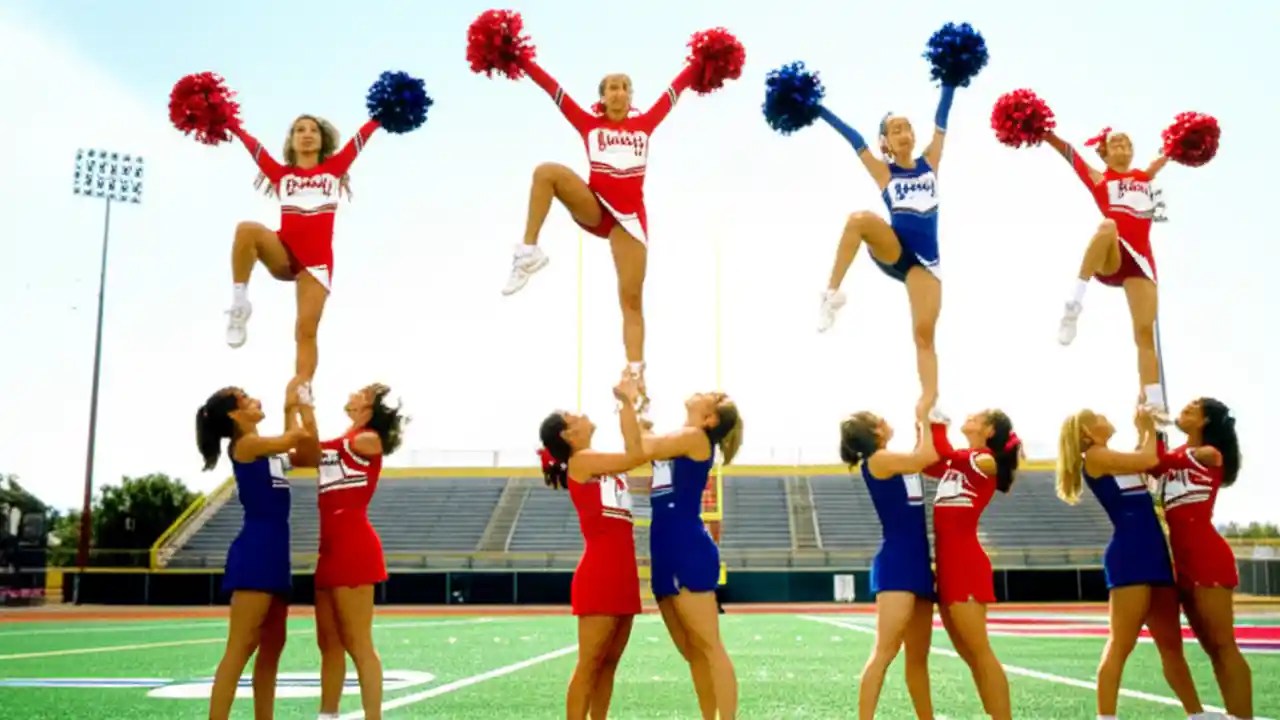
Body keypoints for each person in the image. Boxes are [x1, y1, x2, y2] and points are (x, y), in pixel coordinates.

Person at [497, 54, 712, 416]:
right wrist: (519, 56)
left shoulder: (645, 124)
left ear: (631, 96)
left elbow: (677, 89)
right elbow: (553, 89)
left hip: (627, 221)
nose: (619, 93)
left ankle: (637, 375)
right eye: (613, 87)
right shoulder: (587, 123)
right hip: (594, 206)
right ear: (602, 94)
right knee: (546, 171)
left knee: (631, 300)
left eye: (625, 87)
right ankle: (528, 251)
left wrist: (704, 58)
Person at [814, 83, 959, 417]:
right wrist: (817, 109)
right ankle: (831, 293)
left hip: (922, 264)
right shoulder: (884, 172)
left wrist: (950, 81)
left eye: (907, 127)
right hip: (892, 248)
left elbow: (942, 117)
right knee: (858, 220)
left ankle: (930, 402)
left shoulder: (929, 163)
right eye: (896, 130)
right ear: (886, 142)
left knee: (924, 335)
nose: (904, 133)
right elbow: (853, 138)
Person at [1056, 405, 1207, 720]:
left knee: (1171, 646)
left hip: (1155, 554)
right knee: (1121, 645)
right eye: (1097, 418)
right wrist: (1148, 426)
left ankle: (1197, 714)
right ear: (1087, 433)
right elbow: (1148, 458)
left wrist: (1145, 424)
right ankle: (1106, 717)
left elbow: (1145, 456)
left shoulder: (1118, 459)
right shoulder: (1095, 457)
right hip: (1129, 556)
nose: (1104, 417)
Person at [224, 115, 381, 388]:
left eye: (313, 130)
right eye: (299, 130)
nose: (306, 134)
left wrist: (382, 114)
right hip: (283, 252)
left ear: (322, 140)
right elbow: (253, 145)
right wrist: (229, 122)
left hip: (316, 264)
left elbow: (361, 138)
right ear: (291, 140)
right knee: (246, 229)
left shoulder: (334, 168)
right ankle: (240, 303)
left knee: (305, 330)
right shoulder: (281, 175)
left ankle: (303, 389)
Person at [196, 384, 317, 720]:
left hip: (277, 551)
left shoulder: (267, 451)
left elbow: (299, 449)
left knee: (273, 648)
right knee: (240, 647)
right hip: (257, 550)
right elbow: (293, 438)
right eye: (246, 398)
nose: (254, 398)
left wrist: (291, 409)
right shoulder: (248, 445)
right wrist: (294, 404)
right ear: (236, 415)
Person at [293, 382, 407, 720]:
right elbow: (305, 452)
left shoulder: (367, 439)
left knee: (358, 643)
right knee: (328, 643)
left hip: (354, 546)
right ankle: (327, 715)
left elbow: (315, 448)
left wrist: (305, 409)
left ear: (369, 408)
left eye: (360, 394)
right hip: (329, 548)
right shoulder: (343, 439)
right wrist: (297, 414)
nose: (352, 394)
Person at [537, 373, 648, 719]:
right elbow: (633, 455)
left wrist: (634, 403)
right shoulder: (583, 460)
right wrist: (625, 403)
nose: (583, 415)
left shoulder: (596, 460)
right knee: (589, 663)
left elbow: (638, 444)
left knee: (609, 662)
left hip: (622, 570)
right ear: (569, 435)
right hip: (600, 572)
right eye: (574, 416)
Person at [1045, 127, 1170, 417]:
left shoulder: (1144, 177)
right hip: (1111, 254)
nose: (1123, 146)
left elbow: (1169, 152)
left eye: (1127, 143)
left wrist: (1186, 137)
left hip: (1140, 259)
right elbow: (1071, 155)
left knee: (1144, 332)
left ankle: (1153, 400)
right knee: (1108, 225)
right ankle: (1074, 303)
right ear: (1103, 151)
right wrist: (1045, 131)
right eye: (1116, 143)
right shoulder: (1101, 180)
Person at [642, 391, 744, 719]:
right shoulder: (680, 438)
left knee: (709, 646)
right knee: (693, 651)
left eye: (712, 396)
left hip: (686, 546)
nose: (703, 391)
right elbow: (643, 443)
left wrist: (631, 408)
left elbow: (644, 446)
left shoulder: (694, 437)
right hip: (664, 545)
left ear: (710, 419)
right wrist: (638, 417)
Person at [838, 403, 938, 720]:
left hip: (918, 562)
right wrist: (923, 420)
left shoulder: (894, 461)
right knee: (885, 651)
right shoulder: (879, 460)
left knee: (918, 658)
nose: (886, 421)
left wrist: (922, 429)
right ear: (876, 432)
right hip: (896, 565)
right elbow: (926, 458)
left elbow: (919, 458)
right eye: (881, 420)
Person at [1154, 397, 1252, 719]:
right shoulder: (1179, 455)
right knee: (1212, 650)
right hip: (1181, 561)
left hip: (1207, 557)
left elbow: (1158, 462)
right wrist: (1152, 430)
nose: (1183, 409)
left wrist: (1155, 430)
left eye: (1192, 408)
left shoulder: (1208, 454)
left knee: (1224, 646)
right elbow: (1153, 463)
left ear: (1205, 421)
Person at [926, 409, 1019, 720]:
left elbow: (946, 452)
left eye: (976, 417)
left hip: (965, 563)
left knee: (980, 653)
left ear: (990, 431)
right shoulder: (961, 463)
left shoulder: (983, 460)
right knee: (969, 655)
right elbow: (930, 461)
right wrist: (923, 427)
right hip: (949, 566)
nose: (968, 417)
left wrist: (938, 425)